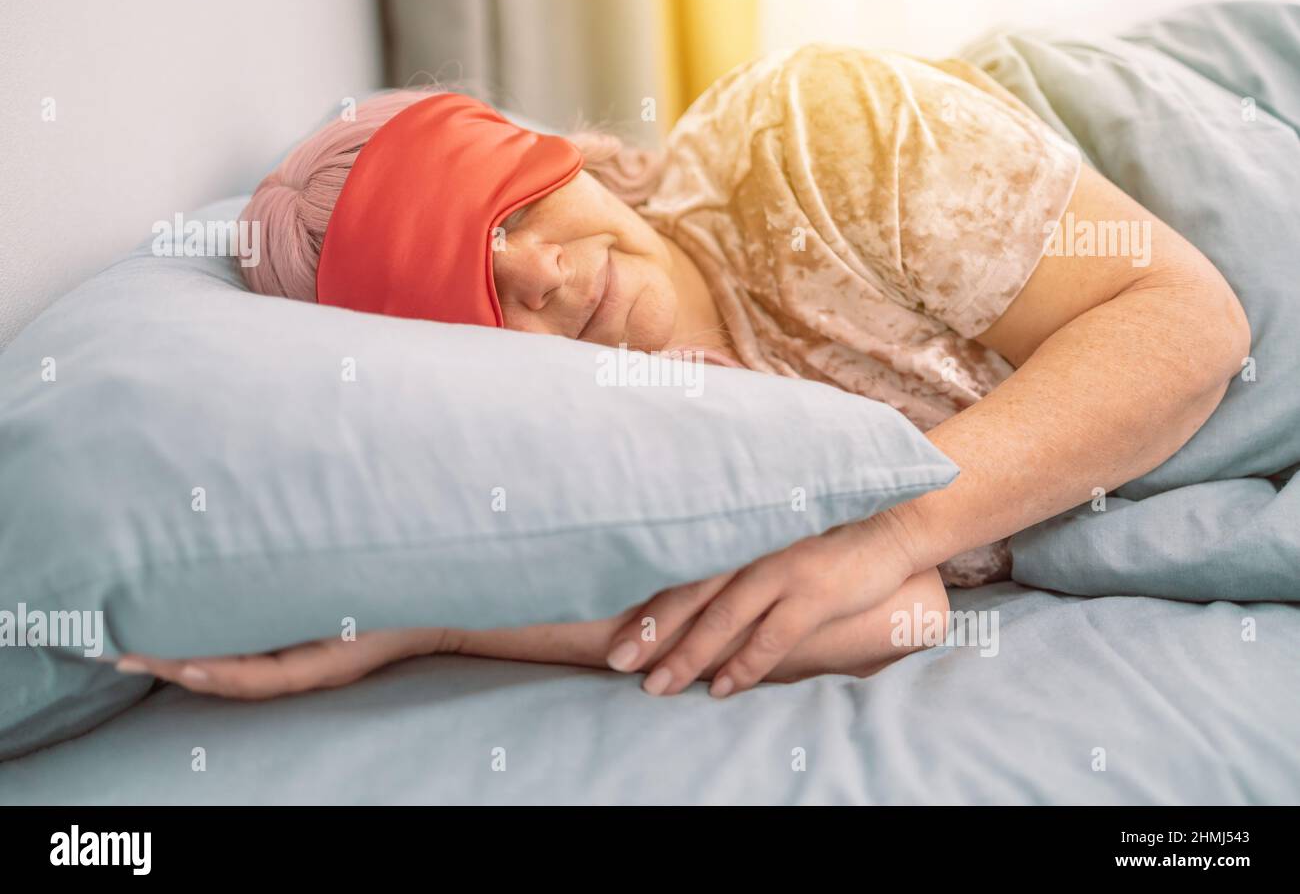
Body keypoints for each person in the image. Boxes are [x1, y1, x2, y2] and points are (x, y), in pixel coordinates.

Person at [115, 44, 1248, 700]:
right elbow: (887, 616)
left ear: (567, 155)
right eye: (474, 287)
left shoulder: (819, 130)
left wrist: (890, 530)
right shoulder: (620, 450)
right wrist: (438, 625)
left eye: (516, 206)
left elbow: (1184, 316)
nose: (546, 273)